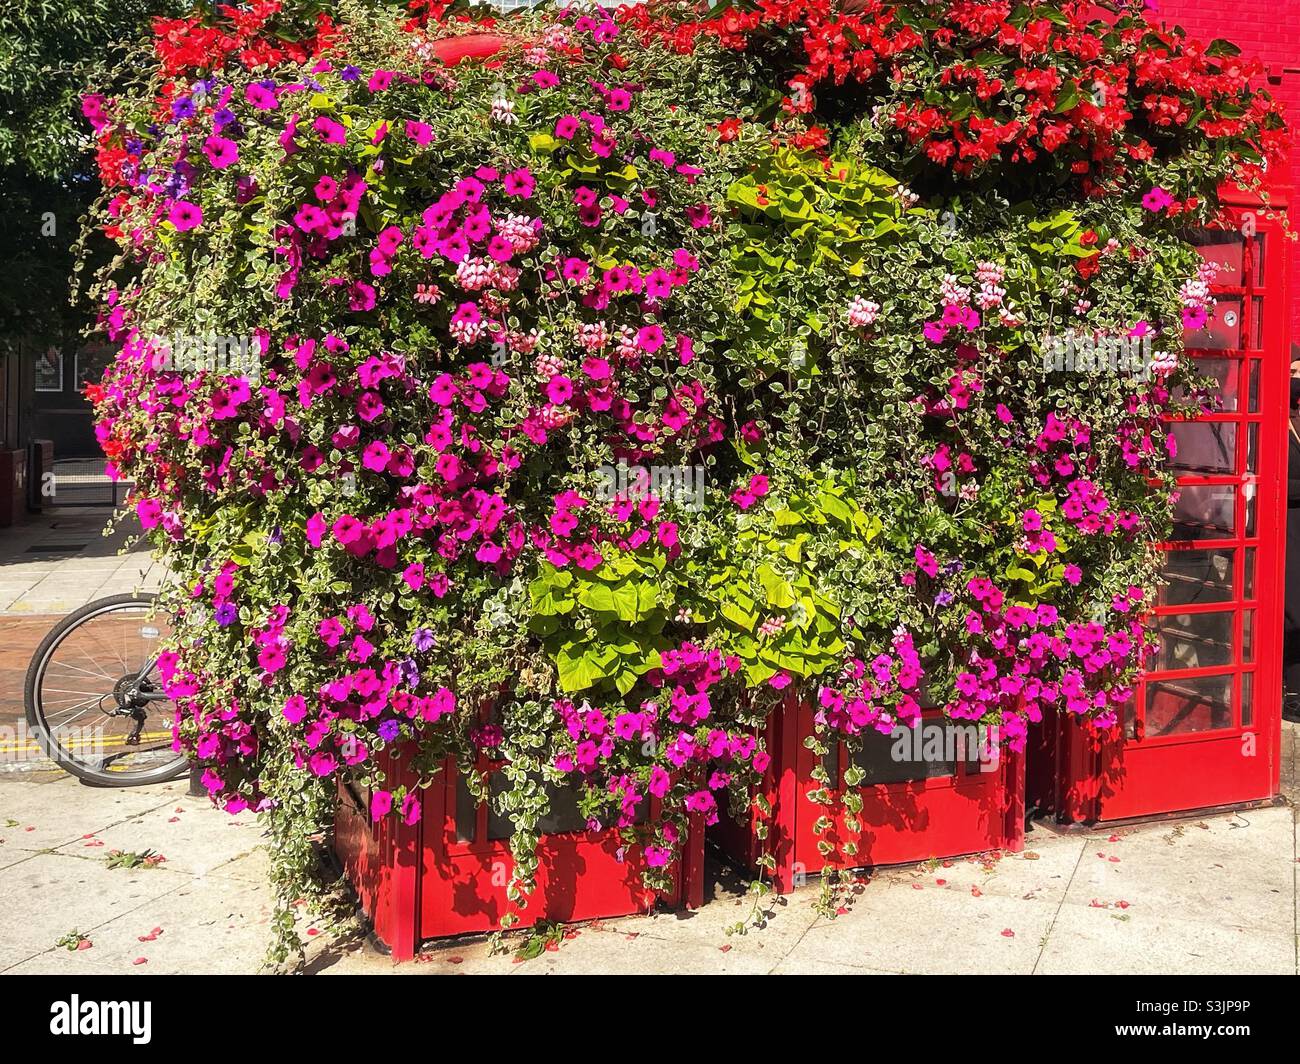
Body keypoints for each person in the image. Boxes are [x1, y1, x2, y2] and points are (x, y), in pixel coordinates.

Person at [1283, 366, 1300, 722]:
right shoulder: (1277, 428)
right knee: (1291, 615)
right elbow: (1276, 481)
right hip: (1285, 527)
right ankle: (1292, 695)